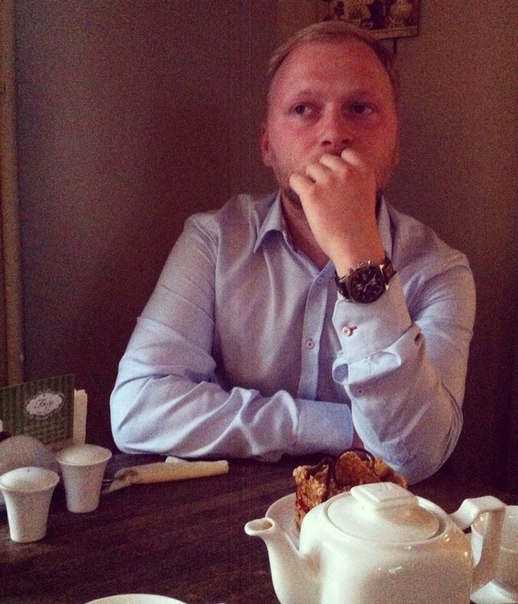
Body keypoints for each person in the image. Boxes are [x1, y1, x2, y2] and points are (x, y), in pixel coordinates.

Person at [110, 21, 476, 484]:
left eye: (360, 108)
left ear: (395, 143)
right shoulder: (213, 241)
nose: (333, 134)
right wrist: (340, 428)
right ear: (267, 144)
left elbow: (416, 454)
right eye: (303, 109)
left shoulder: (440, 271)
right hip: (234, 512)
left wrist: (359, 255)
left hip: (376, 520)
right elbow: (138, 408)